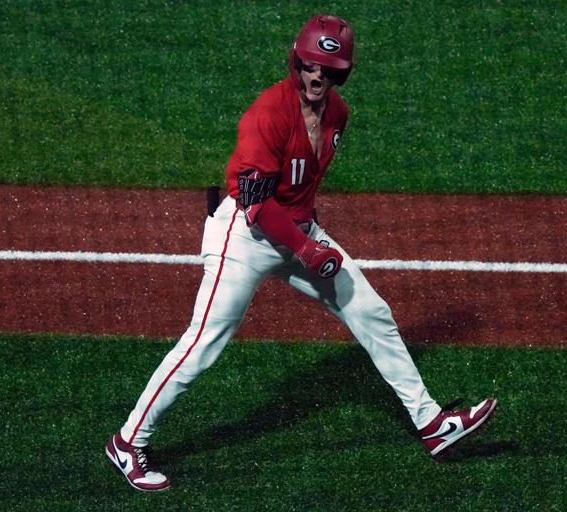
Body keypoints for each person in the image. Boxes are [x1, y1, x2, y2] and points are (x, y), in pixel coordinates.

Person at [105, 14, 497, 492]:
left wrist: (311, 237)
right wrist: (307, 249)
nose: (317, 77)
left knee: (371, 312)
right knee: (204, 342)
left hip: (298, 232)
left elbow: (301, 185)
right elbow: (255, 201)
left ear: (341, 74)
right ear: (296, 62)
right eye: (310, 66)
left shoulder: (338, 115)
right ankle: (128, 441)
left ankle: (431, 424)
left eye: (329, 70)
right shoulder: (267, 113)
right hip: (244, 237)